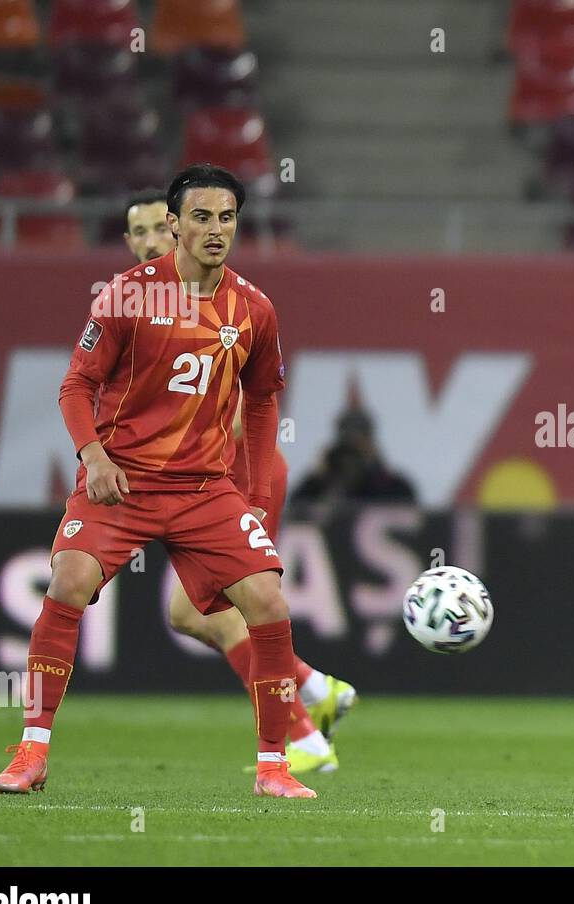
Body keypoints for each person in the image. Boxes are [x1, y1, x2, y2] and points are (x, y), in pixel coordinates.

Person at [0, 165, 322, 798]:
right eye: (201, 217)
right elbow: (76, 385)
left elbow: (260, 404)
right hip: (124, 480)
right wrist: (93, 456)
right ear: (173, 225)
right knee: (67, 581)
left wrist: (254, 500)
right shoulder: (126, 295)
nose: (216, 230)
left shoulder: (255, 309)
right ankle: (30, 753)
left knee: (270, 605)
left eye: (226, 217)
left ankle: (275, 767)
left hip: (205, 489)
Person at [120, 189, 355, 774]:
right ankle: (311, 689)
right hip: (190, 480)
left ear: (178, 229)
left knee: (225, 610)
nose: (150, 239)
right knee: (190, 613)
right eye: (138, 230)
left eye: (158, 226)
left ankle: (304, 734)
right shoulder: (134, 303)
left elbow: (247, 396)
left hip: (231, 470)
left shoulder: (211, 298)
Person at [293, 405, 416, 504]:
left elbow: (408, 508)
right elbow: (296, 508)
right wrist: (318, 479)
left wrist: (376, 473)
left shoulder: (393, 486)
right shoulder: (321, 483)